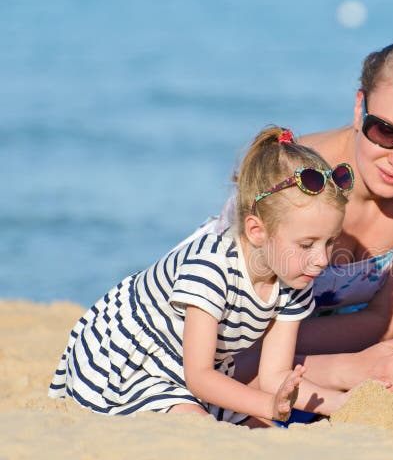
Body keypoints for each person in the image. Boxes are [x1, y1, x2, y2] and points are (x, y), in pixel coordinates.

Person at [194, 35, 393, 400]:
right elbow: (234, 337)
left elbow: (384, 320)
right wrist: (351, 367)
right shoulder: (297, 178)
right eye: (385, 131)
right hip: (221, 342)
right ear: (360, 109)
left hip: (291, 354)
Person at [48, 127, 354, 425]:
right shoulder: (211, 266)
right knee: (199, 424)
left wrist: (342, 405)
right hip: (130, 360)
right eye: (307, 244)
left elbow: (274, 376)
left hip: (188, 369)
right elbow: (199, 376)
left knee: (262, 428)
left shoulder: (294, 280)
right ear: (256, 231)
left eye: (330, 242)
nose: (322, 260)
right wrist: (268, 405)